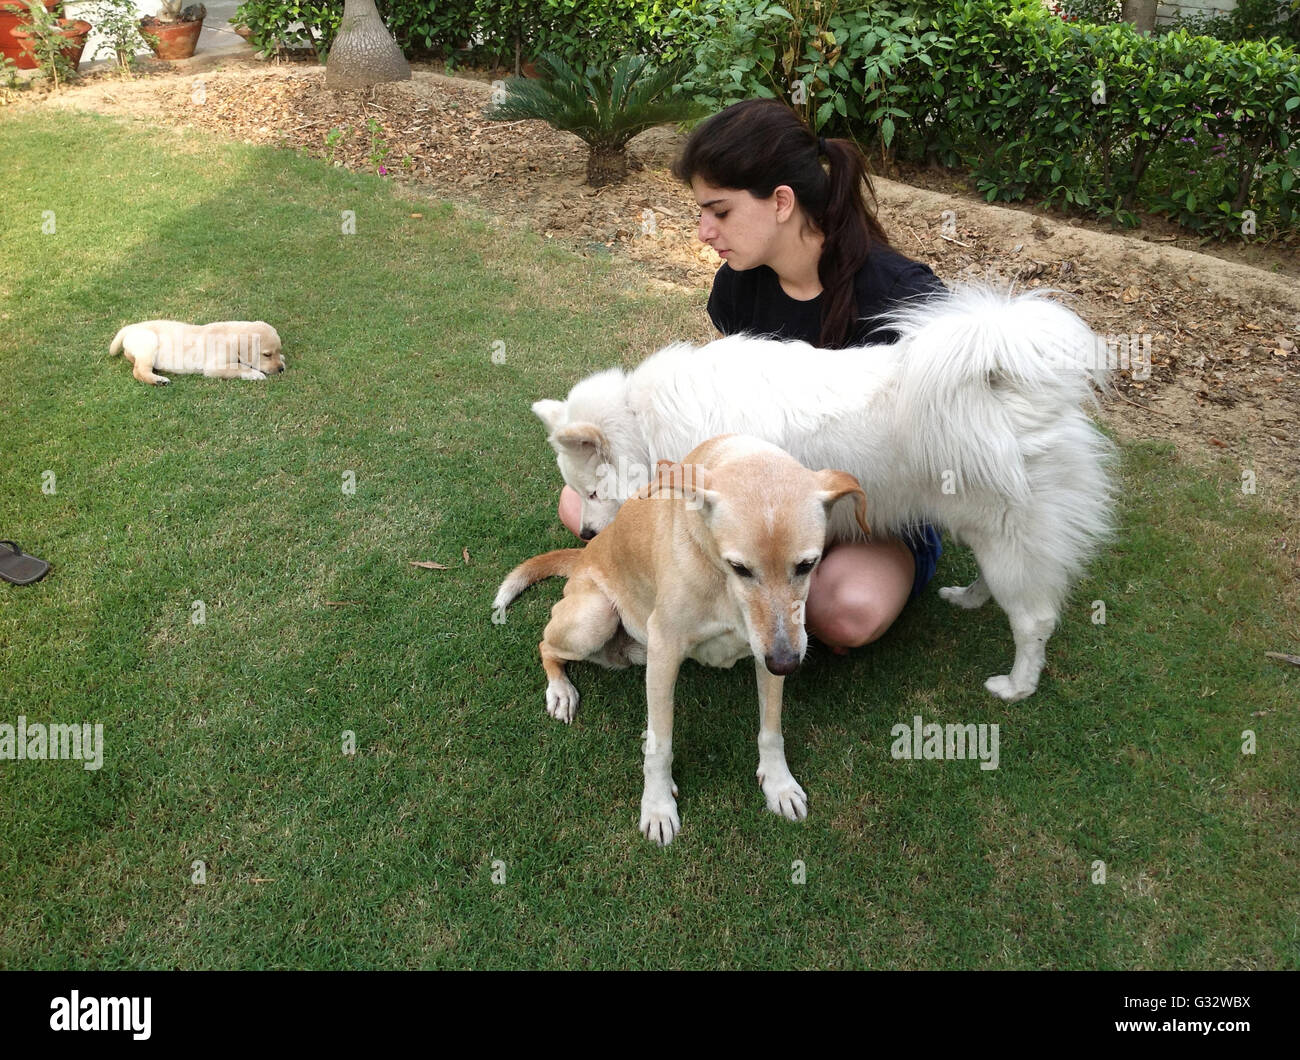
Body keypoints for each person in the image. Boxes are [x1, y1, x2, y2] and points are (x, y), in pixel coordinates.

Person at [558, 97, 945, 652]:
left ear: (781, 202)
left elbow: (935, 440)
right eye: (701, 213)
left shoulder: (902, 295)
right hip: (758, 505)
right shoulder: (738, 284)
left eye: (719, 211)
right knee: (579, 506)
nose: (703, 232)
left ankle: (780, 580)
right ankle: (753, 575)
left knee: (845, 613)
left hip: (871, 512)